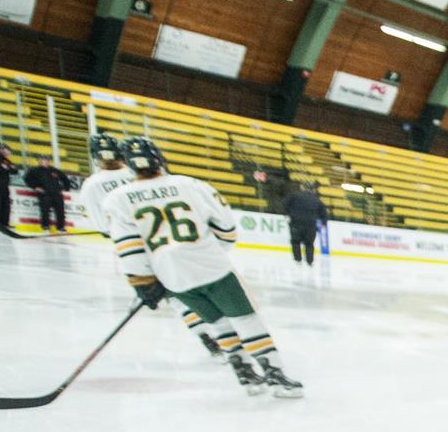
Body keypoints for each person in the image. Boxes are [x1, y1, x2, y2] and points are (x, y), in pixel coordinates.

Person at [104, 136, 304, 398]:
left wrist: (143, 281)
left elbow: (128, 246)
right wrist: (213, 249)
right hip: (212, 268)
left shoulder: (117, 199)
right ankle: (274, 375)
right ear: (159, 160)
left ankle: (245, 375)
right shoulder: (190, 185)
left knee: (217, 323)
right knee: (246, 319)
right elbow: (226, 227)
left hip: (172, 278)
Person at [78, 133, 226, 361]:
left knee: (176, 298)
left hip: (137, 249)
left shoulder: (92, 184)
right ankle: (225, 336)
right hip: (172, 240)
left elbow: (102, 225)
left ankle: (207, 337)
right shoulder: (137, 174)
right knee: (191, 290)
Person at [282, 183, 329, 267]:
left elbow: (285, 204)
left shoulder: (295, 195)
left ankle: (298, 259)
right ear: (312, 190)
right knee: (309, 243)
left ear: (302, 188)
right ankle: (309, 261)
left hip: (296, 223)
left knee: (295, 241)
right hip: (310, 225)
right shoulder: (316, 200)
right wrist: (323, 223)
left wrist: (286, 214)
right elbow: (324, 213)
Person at [23, 156, 68, 233]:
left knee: (60, 211)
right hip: (44, 193)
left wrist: (64, 188)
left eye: (44, 160)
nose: (42, 161)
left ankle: (61, 227)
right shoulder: (34, 170)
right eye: (40, 160)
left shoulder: (54, 170)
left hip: (56, 194)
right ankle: (45, 227)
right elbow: (27, 179)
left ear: (48, 161)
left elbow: (65, 179)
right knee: (45, 211)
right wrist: (35, 187)